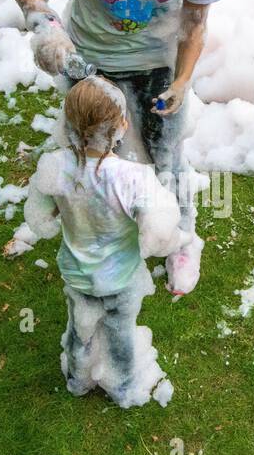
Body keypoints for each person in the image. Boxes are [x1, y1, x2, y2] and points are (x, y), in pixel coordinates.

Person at [11, 0, 224, 295]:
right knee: (90, 156)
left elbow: (196, 23)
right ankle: (98, 242)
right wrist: (45, 26)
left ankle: (182, 240)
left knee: (165, 157)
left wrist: (183, 81)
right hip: (87, 60)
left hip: (156, 65)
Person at [23, 76, 184, 408]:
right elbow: (160, 229)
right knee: (120, 333)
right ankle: (124, 385)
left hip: (77, 274)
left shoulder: (56, 167)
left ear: (67, 125)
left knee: (78, 330)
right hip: (121, 280)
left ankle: (77, 379)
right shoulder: (131, 178)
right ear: (122, 126)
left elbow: (41, 218)